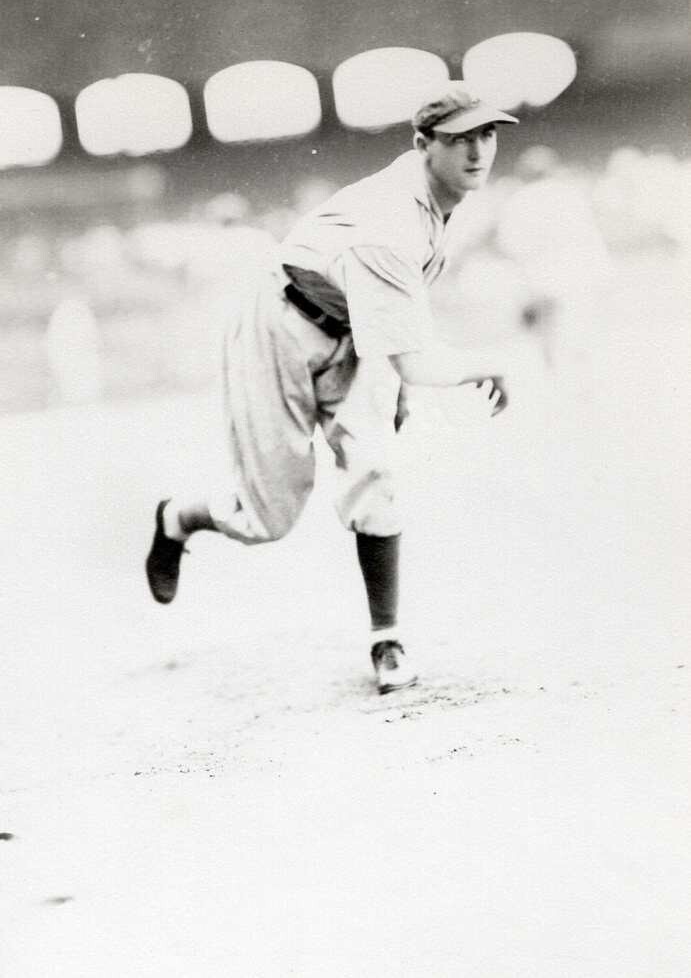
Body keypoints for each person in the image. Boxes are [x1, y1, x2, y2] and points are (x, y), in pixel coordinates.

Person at [145, 81, 518, 694]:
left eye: (487, 133)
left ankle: (386, 639)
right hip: (282, 326)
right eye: (459, 139)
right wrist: (486, 363)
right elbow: (418, 363)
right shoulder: (391, 220)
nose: (478, 151)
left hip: (349, 326)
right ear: (424, 144)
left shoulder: (437, 194)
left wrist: (392, 367)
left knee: (377, 472)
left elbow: (400, 317)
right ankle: (177, 518)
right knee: (268, 517)